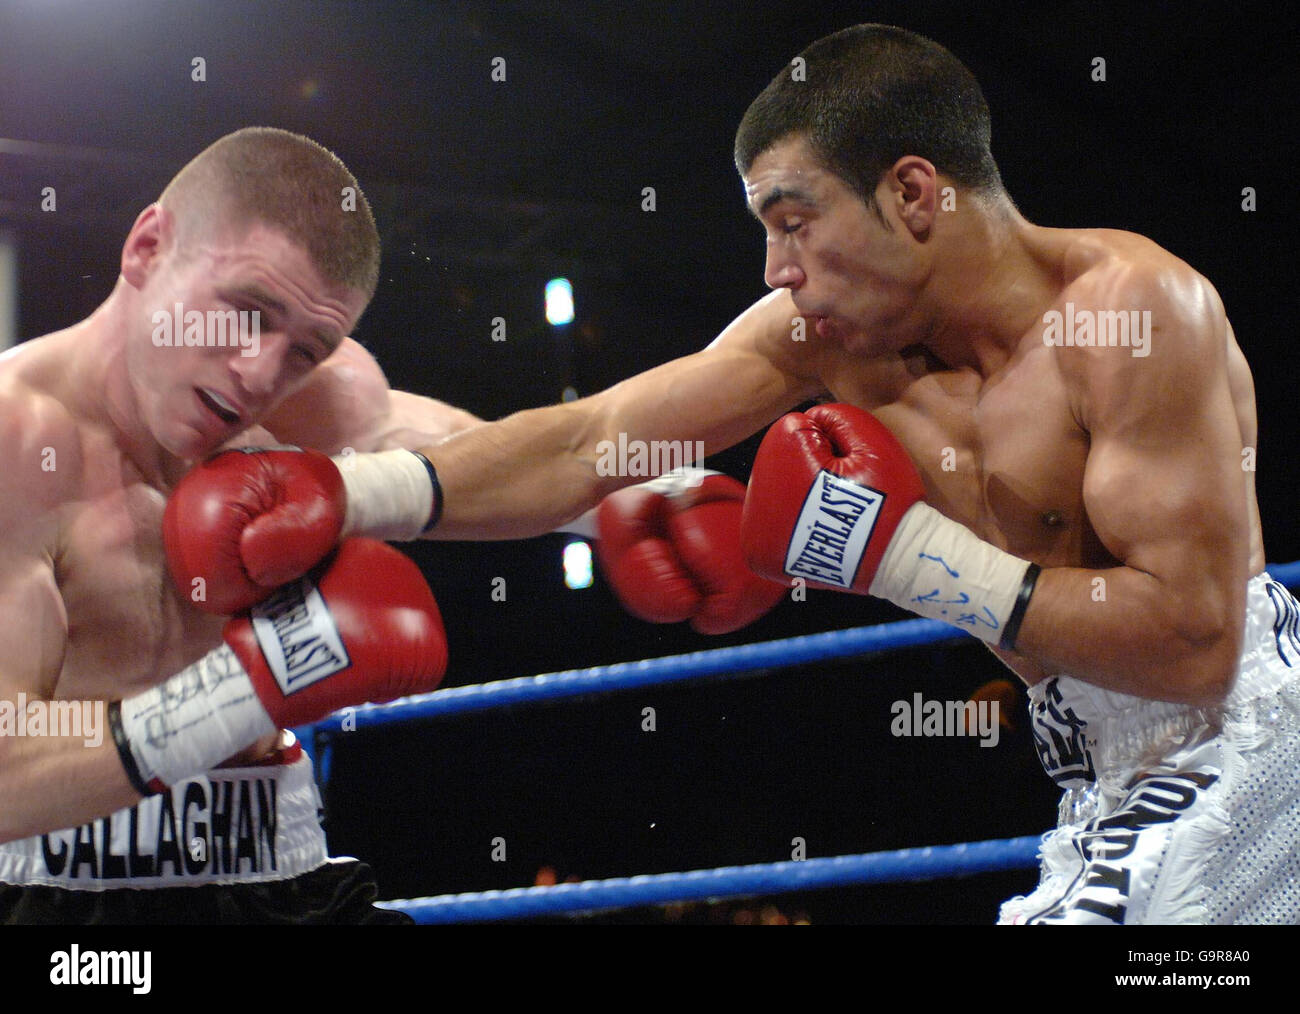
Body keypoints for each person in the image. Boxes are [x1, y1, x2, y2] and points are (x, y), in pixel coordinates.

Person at [176, 25, 1299, 924]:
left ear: (914, 194)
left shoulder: (1132, 315)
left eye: (794, 222)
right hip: (1093, 776)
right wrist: (357, 492)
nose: (776, 268)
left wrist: (911, 559)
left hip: (1244, 753)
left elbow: (1195, 647)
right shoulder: (818, 339)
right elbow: (591, 443)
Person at [0, 124, 773, 924]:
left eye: (307, 348)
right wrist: (253, 683)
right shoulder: (18, 450)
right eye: (245, 311)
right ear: (148, 247)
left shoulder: (309, 397)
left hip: (284, 877)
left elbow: (460, 454)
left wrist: (625, 502)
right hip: (62, 904)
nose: (262, 372)